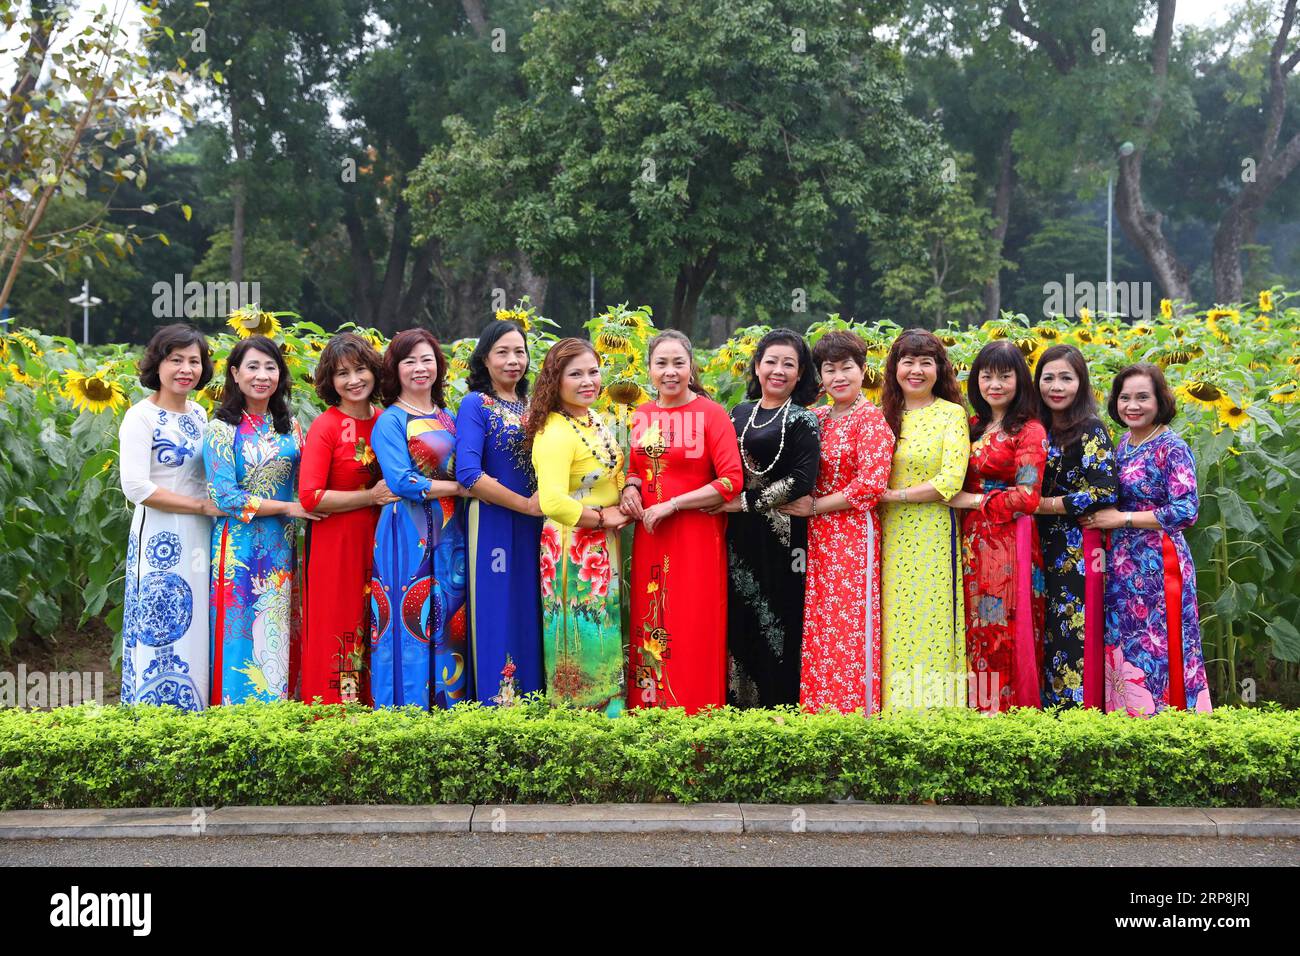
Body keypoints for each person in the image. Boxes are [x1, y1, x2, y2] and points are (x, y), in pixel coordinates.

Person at [621, 329, 743, 714]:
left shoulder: (711, 413)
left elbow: (730, 481)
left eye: (678, 363)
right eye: (661, 363)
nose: (670, 372)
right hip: (651, 538)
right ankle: (651, 723)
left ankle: (696, 724)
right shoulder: (642, 415)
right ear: (649, 369)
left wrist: (672, 505)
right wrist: (630, 486)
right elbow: (637, 467)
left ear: (691, 367)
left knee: (693, 628)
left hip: (695, 539)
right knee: (652, 624)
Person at [779, 331, 895, 715]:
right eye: (830, 369)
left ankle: (854, 714)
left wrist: (816, 507)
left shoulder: (870, 418)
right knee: (821, 623)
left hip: (852, 532)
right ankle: (820, 711)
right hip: (817, 533)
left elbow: (871, 483)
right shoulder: (818, 417)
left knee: (850, 623)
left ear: (863, 371)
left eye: (847, 367)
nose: (838, 377)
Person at [1085, 363, 1211, 715]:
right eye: (1125, 398)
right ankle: (1129, 725)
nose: (1132, 405)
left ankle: (1168, 726)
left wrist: (1122, 519)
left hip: (1159, 563)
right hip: (1122, 566)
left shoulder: (1170, 446)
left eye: (1143, 397)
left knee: (1161, 646)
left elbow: (1187, 510)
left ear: (1160, 400)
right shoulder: (1123, 444)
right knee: (1126, 644)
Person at [204, 335, 318, 704]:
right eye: (252, 367)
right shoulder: (221, 429)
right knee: (239, 640)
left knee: (278, 633)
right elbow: (224, 496)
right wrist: (287, 507)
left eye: (270, 367)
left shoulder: (291, 427)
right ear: (235, 374)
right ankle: (237, 726)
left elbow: (308, 483)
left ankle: (275, 724)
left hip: (281, 550)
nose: (262, 375)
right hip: (238, 550)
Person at [713, 329, 821, 708]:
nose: (778, 370)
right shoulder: (739, 413)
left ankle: (781, 710)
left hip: (785, 539)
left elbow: (801, 481)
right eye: (770, 361)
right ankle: (740, 710)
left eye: (788, 364)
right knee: (741, 617)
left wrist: (745, 502)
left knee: (780, 620)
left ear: (800, 372)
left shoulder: (804, 420)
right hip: (740, 536)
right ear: (757, 367)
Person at [526, 338, 631, 716]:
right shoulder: (554, 430)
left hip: (600, 545)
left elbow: (612, 470)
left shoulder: (592, 419)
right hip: (572, 549)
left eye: (593, 372)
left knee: (603, 631)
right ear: (556, 380)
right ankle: (582, 731)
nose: (588, 381)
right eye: (576, 374)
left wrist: (627, 493)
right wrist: (604, 517)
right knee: (582, 637)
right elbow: (552, 501)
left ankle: (610, 719)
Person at [118, 323, 221, 710]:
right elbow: (137, 488)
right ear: (157, 364)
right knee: (161, 628)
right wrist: (199, 506)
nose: (186, 369)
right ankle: (157, 726)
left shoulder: (199, 413)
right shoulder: (140, 417)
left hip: (202, 534)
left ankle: (196, 719)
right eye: (176, 359)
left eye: (194, 361)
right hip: (159, 537)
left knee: (198, 626)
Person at [370, 329, 468, 710]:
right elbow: (402, 481)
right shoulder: (391, 420)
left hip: (450, 532)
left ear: (438, 365)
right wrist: (460, 488)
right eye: (408, 361)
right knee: (410, 619)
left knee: (449, 616)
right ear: (395, 369)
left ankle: (449, 709)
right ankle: (405, 713)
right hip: (407, 533)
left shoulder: (448, 417)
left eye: (426, 359)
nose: (419, 368)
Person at [947, 341, 1048, 713]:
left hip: (1009, 540)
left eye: (1005, 376)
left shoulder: (1029, 429)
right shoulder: (973, 426)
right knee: (974, 628)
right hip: (971, 540)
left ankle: (1007, 716)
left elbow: (1027, 497)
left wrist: (973, 501)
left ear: (1020, 380)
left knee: (1003, 627)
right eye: (987, 376)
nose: (995, 384)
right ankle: (977, 713)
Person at [298, 333, 396, 706]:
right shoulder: (326, 425)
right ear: (330, 381)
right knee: (340, 623)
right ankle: (339, 712)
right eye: (342, 374)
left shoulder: (387, 420)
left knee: (376, 619)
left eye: (360, 370)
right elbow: (311, 496)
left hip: (382, 538)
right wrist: (369, 497)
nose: (354, 380)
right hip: (337, 541)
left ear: (374, 371)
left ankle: (379, 703)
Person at [877, 329, 970, 709]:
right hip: (884, 534)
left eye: (925, 362)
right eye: (908, 361)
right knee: (890, 622)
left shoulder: (951, 415)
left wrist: (892, 496)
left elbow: (949, 482)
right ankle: (890, 712)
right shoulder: (882, 415)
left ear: (939, 369)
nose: (916, 370)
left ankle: (932, 715)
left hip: (932, 531)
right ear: (894, 367)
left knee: (929, 619)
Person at [455, 319, 545, 706]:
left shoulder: (534, 406)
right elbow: (469, 474)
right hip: (494, 522)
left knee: (531, 606)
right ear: (485, 360)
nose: (513, 361)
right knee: (496, 606)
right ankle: (498, 704)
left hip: (537, 525)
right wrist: (524, 504)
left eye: (519, 351)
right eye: (502, 352)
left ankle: (535, 698)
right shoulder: (476, 404)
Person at [1032, 344, 1117, 708]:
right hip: (1037, 545)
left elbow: (1106, 489)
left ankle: (1074, 722)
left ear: (1080, 384)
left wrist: (1048, 506)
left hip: (1074, 550)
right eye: (1048, 378)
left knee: (1072, 636)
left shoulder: (1090, 429)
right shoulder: (1036, 429)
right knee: (1043, 632)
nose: (1056, 386)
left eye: (1066, 378)